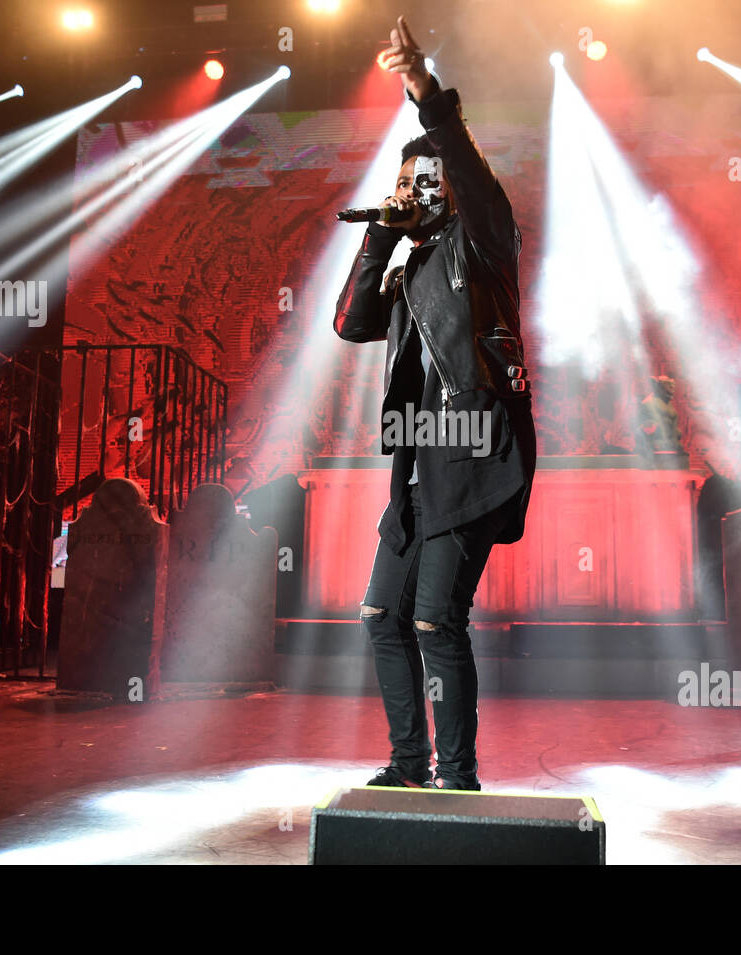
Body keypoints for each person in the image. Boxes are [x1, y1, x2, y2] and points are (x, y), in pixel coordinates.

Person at [333, 16, 536, 792]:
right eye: (404, 182)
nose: (415, 191)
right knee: (382, 616)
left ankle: (457, 777)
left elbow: (466, 168)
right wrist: (381, 239)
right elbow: (352, 326)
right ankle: (408, 763)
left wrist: (424, 93)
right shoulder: (408, 262)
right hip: (418, 458)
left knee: (432, 619)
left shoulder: (483, 241)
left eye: (428, 180)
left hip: (476, 451)